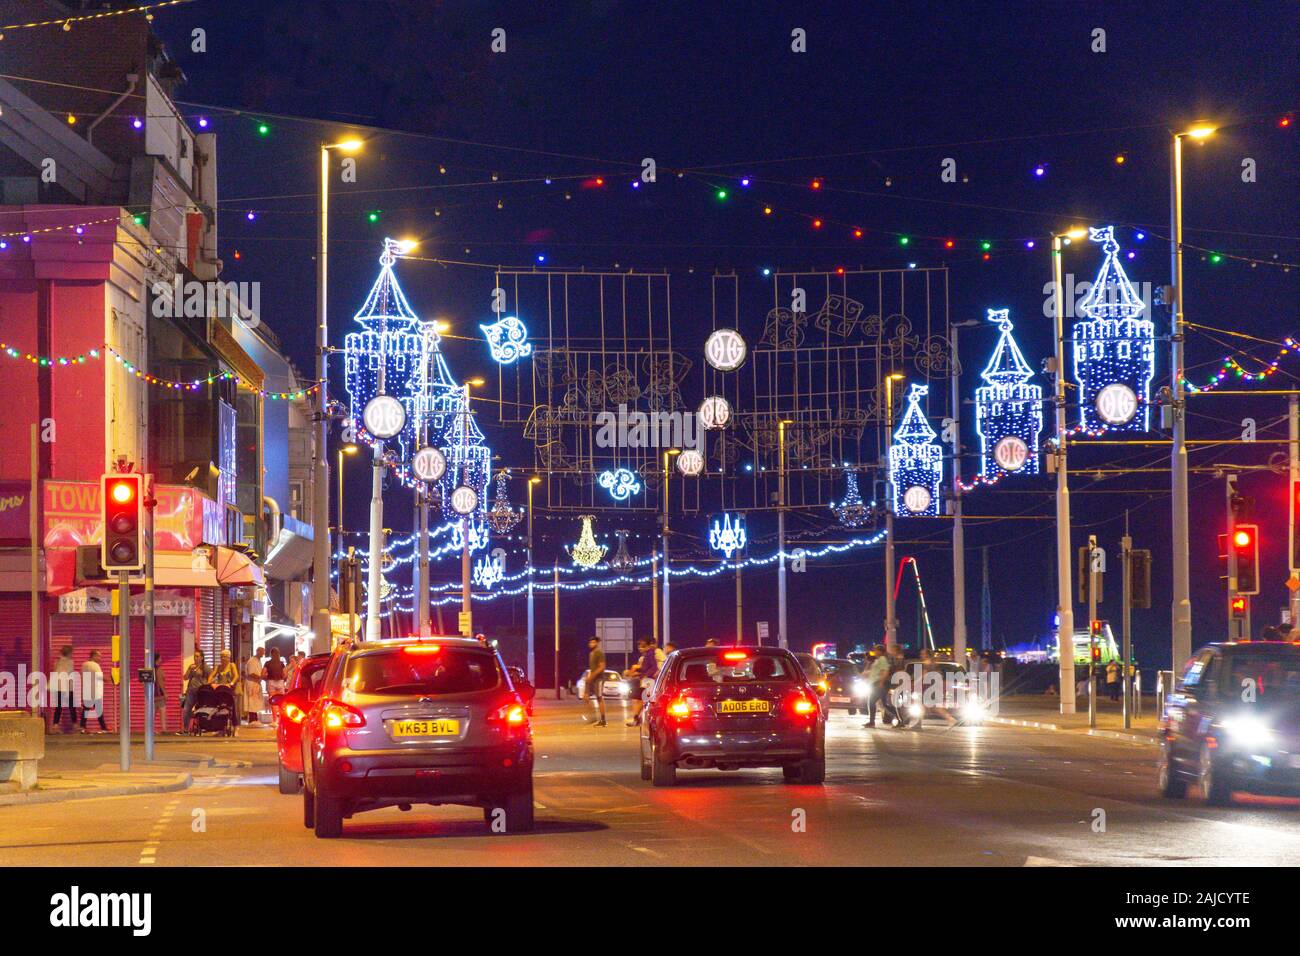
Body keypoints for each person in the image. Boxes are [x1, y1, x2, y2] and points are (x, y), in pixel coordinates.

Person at [627, 637, 659, 727]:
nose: (640, 648)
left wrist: (645, 674)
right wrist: (637, 669)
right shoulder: (647, 654)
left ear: (648, 645)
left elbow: (654, 668)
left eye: (643, 646)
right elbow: (645, 668)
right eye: (639, 646)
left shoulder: (650, 654)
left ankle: (638, 719)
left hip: (648, 680)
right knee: (639, 700)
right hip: (645, 680)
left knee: (643, 700)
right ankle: (637, 719)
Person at [862, 644, 890, 728]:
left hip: (878, 684)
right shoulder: (877, 660)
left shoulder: (882, 659)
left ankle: (872, 722)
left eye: (876, 650)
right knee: (881, 704)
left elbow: (885, 671)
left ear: (880, 651)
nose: (874, 651)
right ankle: (871, 722)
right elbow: (871, 672)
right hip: (874, 683)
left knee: (877, 703)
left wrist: (881, 683)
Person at [80, 649, 108, 733]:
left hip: (87, 690)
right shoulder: (95, 665)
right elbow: (100, 677)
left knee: (86, 710)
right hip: (95, 691)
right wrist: (111, 679)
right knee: (98, 710)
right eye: (98, 656)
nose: (100, 658)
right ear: (93, 656)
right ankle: (103, 728)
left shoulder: (84, 665)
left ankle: (82, 727)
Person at [51, 644, 76, 732]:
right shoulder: (70, 662)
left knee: (58, 707)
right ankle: (75, 725)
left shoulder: (57, 662)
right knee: (72, 707)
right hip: (67, 687)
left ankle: (55, 725)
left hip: (58, 687)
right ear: (69, 653)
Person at [582, 637, 607, 726]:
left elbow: (602, 667)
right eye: (590, 642)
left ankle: (603, 720)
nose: (592, 644)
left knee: (599, 698)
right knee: (586, 696)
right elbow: (592, 668)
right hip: (592, 678)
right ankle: (592, 717)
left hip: (599, 679)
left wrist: (593, 675)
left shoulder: (599, 653)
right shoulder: (591, 653)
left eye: (594, 642)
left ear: (597, 643)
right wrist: (589, 677)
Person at [182, 650, 208, 733]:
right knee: (186, 709)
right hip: (191, 691)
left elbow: (212, 677)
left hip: (201, 692)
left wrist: (206, 684)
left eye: (197, 656)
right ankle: (186, 728)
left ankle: (202, 727)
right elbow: (185, 677)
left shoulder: (206, 667)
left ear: (202, 658)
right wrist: (190, 669)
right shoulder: (192, 667)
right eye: (194, 656)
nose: (195, 658)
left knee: (201, 710)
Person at [243, 647, 265, 724]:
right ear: (257, 651)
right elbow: (251, 673)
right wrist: (261, 677)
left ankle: (254, 719)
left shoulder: (258, 660)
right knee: (252, 702)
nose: (263, 653)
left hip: (256, 683)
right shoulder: (252, 661)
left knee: (255, 702)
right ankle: (252, 720)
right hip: (252, 683)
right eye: (261, 652)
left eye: (263, 652)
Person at [150, 653, 168, 733]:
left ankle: (151, 730)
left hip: (152, 695)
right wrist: (165, 693)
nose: (161, 660)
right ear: (157, 660)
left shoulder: (150, 669)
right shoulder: (159, 669)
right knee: (162, 713)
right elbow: (161, 682)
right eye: (160, 658)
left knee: (152, 714)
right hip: (159, 695)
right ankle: (164, 729)